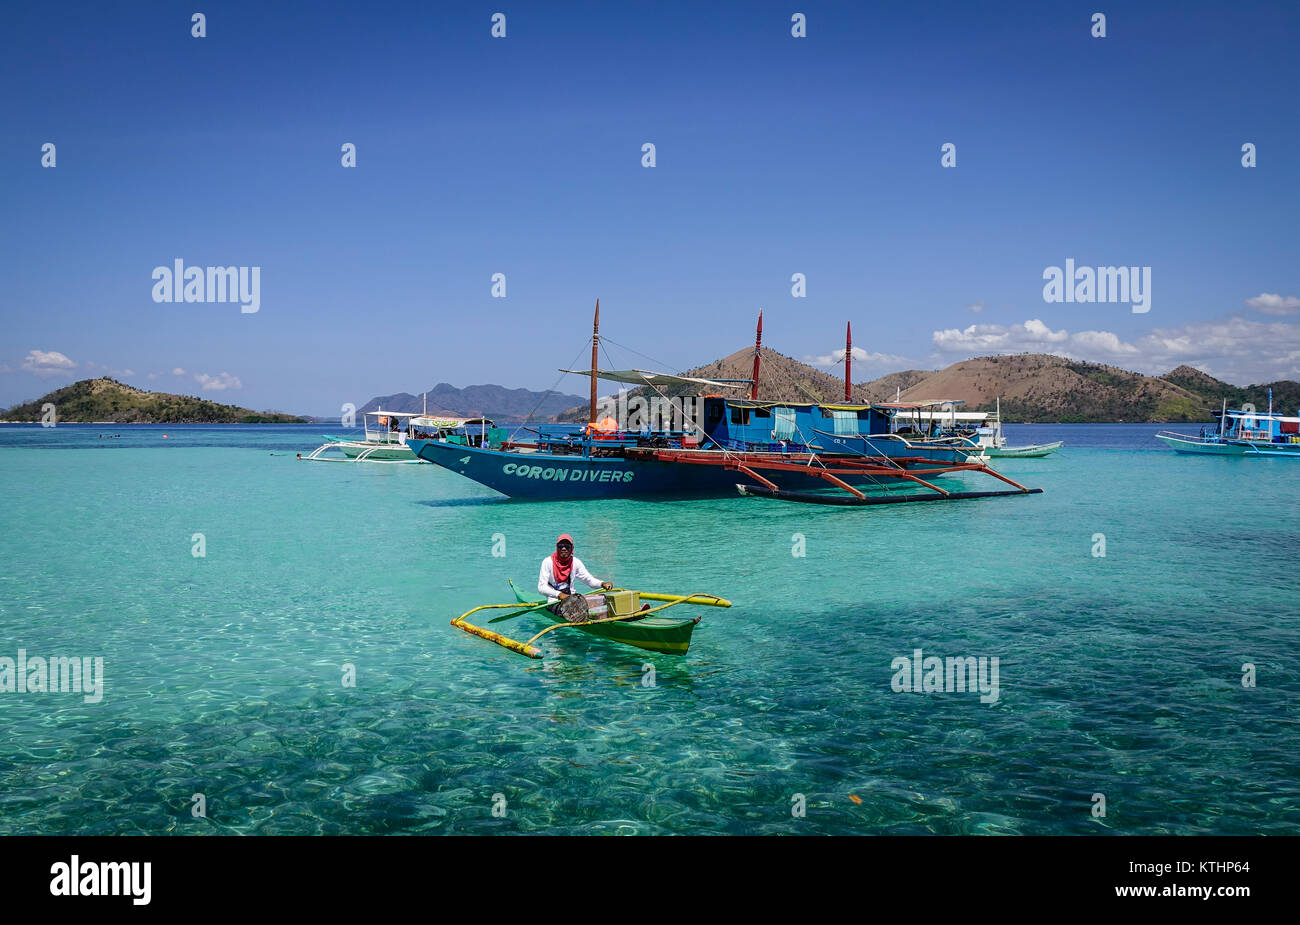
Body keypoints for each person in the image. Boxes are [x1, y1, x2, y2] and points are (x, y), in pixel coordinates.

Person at [538, 534, 612, 613]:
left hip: (572, 599)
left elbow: (589, 580)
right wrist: (559, 595)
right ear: (557, 547)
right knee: (577, 611)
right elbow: (541, 587)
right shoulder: (548, 562)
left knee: (603, 603)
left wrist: (602, 583)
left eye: (567, 546)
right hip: (554, 601)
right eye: (560, 546)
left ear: (572, 548)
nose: (563, 548)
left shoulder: (576, 562)